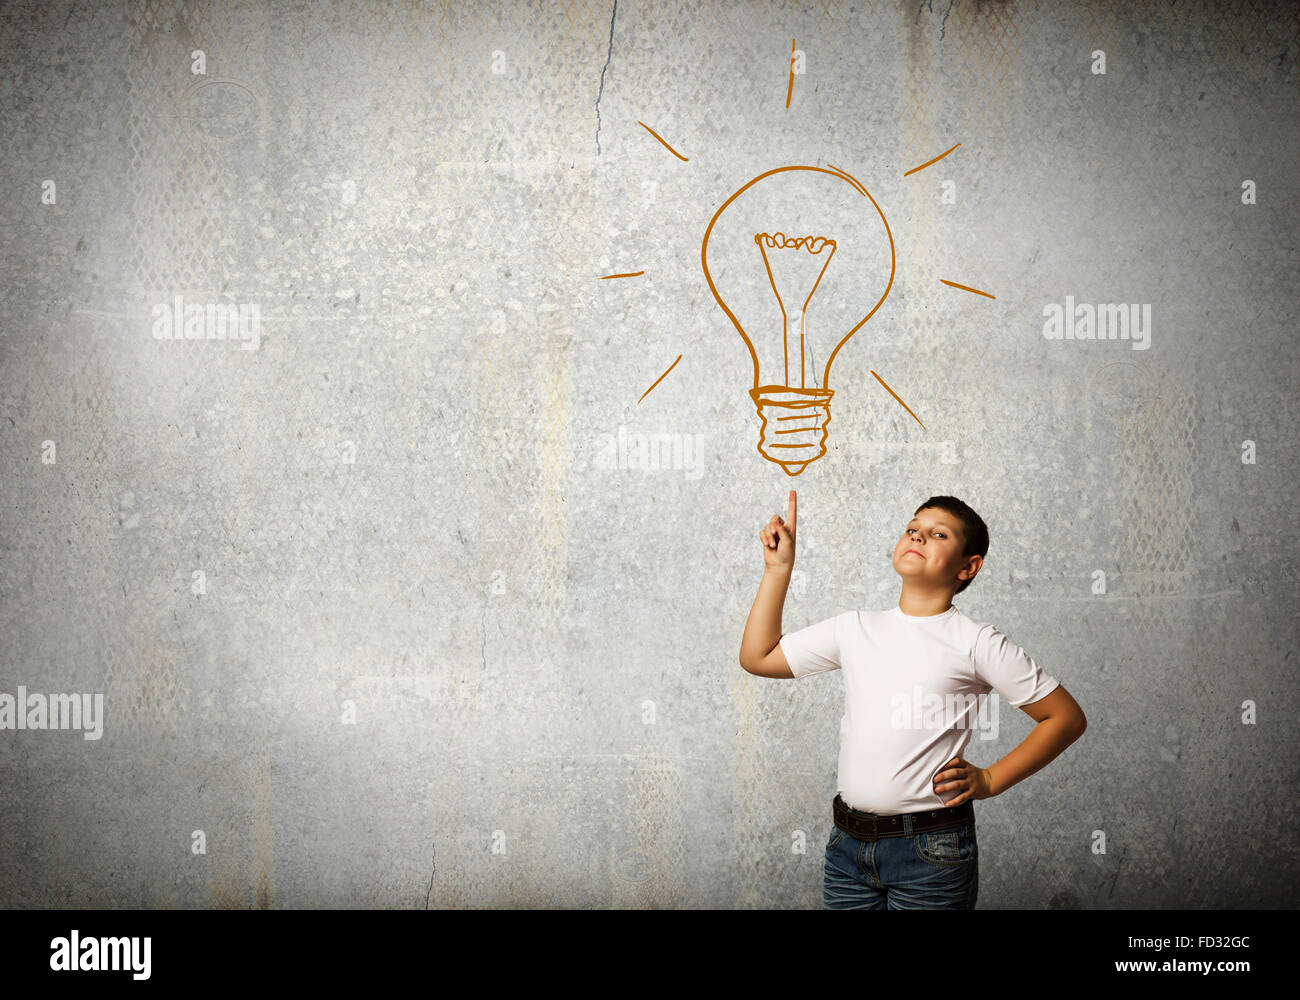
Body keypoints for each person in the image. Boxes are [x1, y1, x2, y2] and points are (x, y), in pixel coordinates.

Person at [738, 489, 1086, 909]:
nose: (918, 537)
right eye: (912, 529)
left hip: (932, 851)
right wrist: (778, 570)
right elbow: (758, 657)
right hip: (847, 848)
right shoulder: (854, 628)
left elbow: (1064, 718)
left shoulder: (975, 641)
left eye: (938, 535)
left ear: (968, 567)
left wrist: (991, 780)